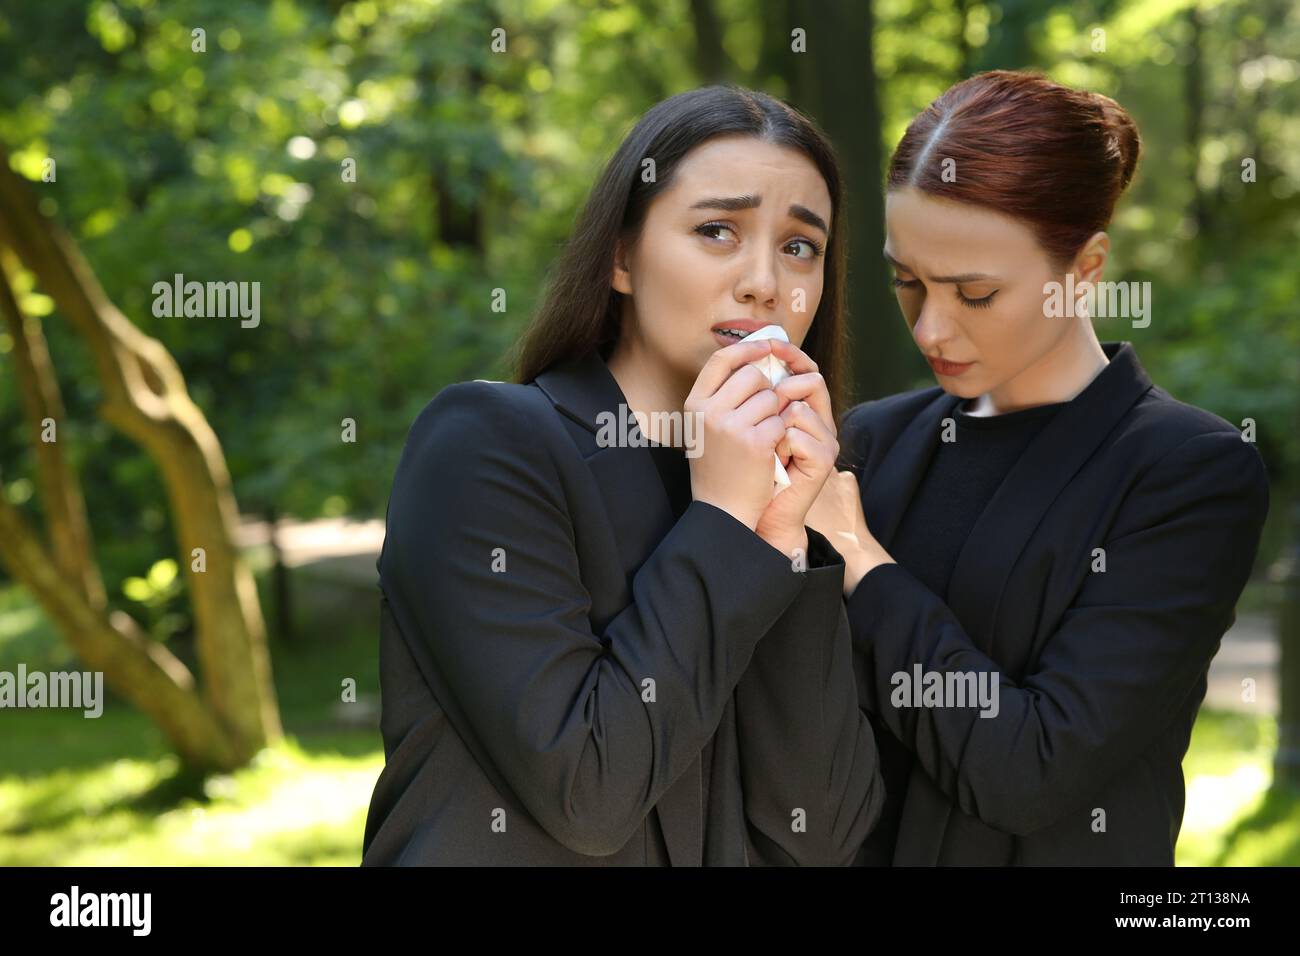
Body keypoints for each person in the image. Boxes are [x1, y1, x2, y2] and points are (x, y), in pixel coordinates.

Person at [361, 85, 884, 866]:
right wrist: (723, 523)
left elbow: (822, 836)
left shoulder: (781, 500)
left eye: (800, 246)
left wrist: (783, 543)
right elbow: (591, 795)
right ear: (621, 257)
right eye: (717, 230)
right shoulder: (486, 446)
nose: (764, 282)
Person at [808, 70, 1270, 865]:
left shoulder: (1188, 473)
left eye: (977, 292)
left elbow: (1028, 772)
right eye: (906, 281)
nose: (930, 328)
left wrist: (862, 564)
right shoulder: (870, 442)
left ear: (1085, 269)